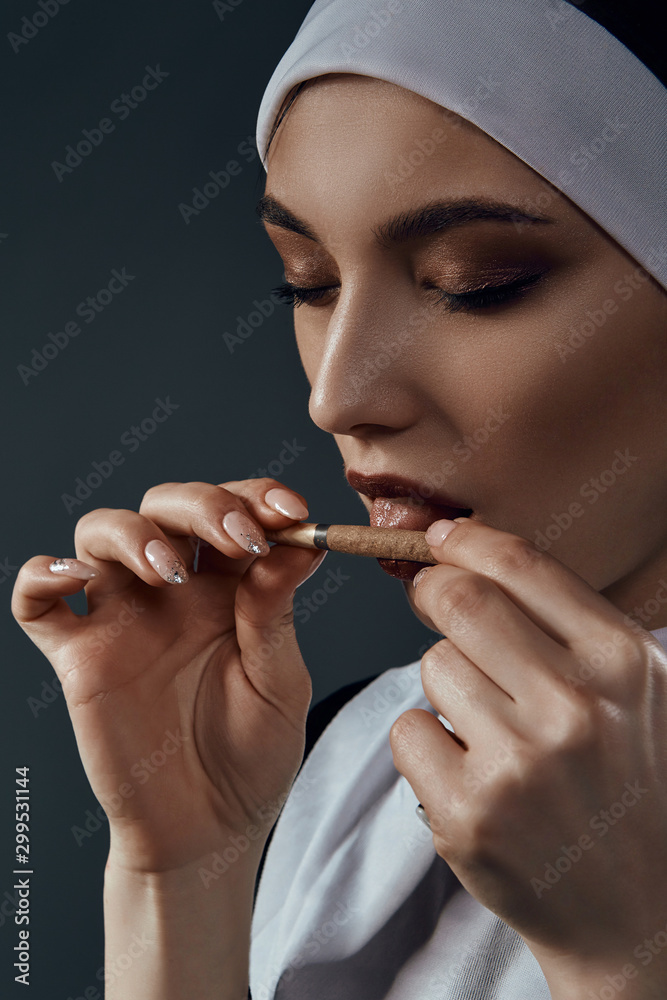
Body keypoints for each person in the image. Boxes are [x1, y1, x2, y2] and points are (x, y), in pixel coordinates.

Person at [11, 0, 667, 997]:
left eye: (473, 282)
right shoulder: (353, 754)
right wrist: (180, 869)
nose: (337, 395)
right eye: (306, 283)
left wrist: (629, 954)